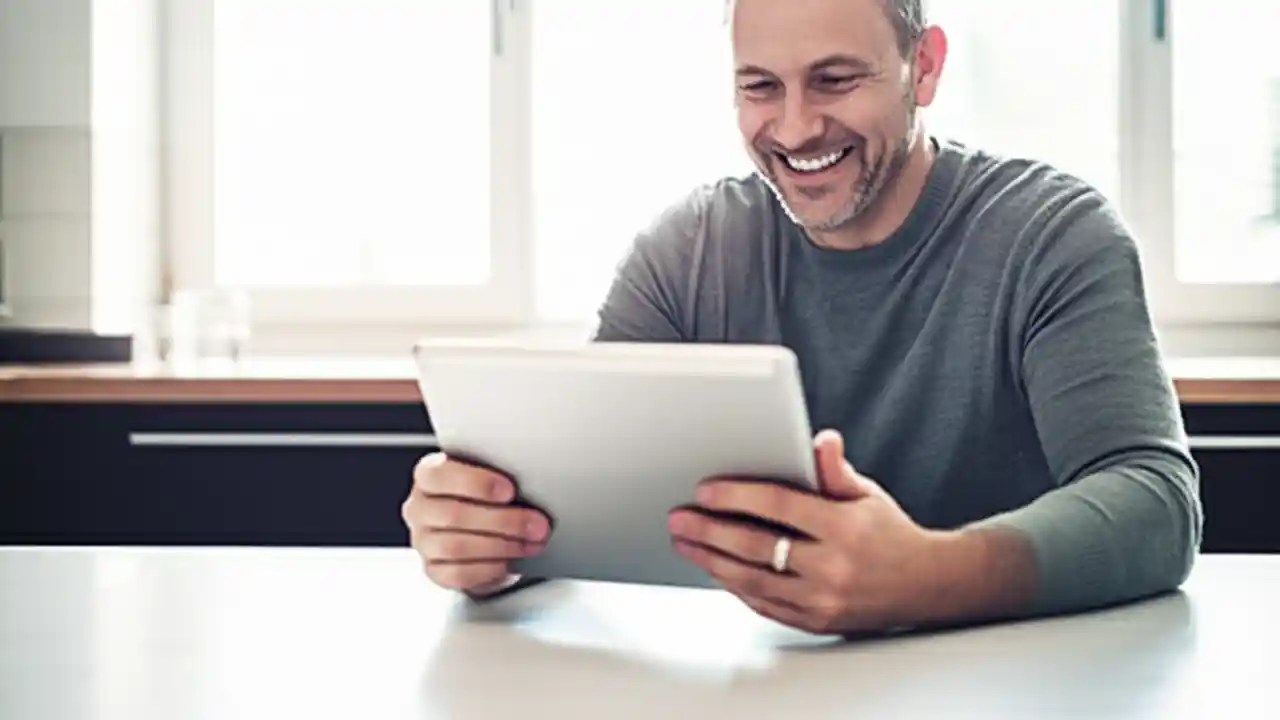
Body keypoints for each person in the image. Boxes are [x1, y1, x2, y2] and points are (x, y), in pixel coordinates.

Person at [400, 0, 1202, 635]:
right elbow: (585, 495)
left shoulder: (1051, 236)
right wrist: (488, 535)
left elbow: (1155, 503)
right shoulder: (690, 250)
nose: (793, 128)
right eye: (760, 86)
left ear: (922, 67)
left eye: (834, 79)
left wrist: (927, 576)